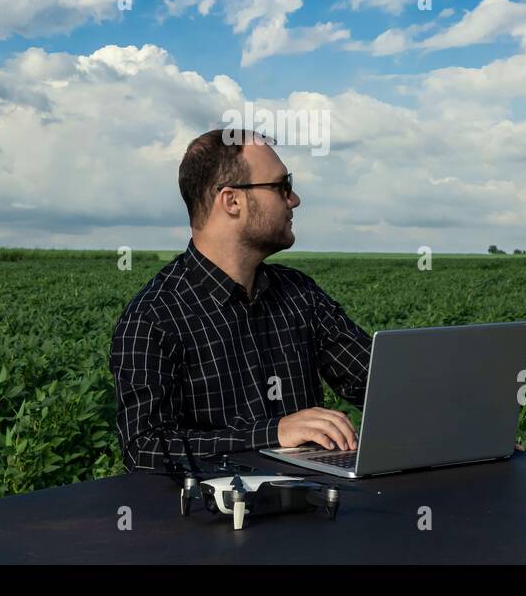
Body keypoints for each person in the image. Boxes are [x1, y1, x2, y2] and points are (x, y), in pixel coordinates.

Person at [109, 127, 370, 472]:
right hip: (219, 520)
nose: (294, 200)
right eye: (282, 186)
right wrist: (272, 433)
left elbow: (376, 383)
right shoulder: (154, 318)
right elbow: (145, 448)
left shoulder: (300, 295)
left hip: (314, 506)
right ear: (232, 201)